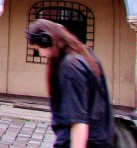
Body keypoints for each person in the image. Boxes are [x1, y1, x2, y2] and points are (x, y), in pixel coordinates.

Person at [25, 19, 116, 147]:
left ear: (48, 40)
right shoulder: (85, 55)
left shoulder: (71, 67)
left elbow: (79, 122)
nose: (41, 54)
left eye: (39, 48)